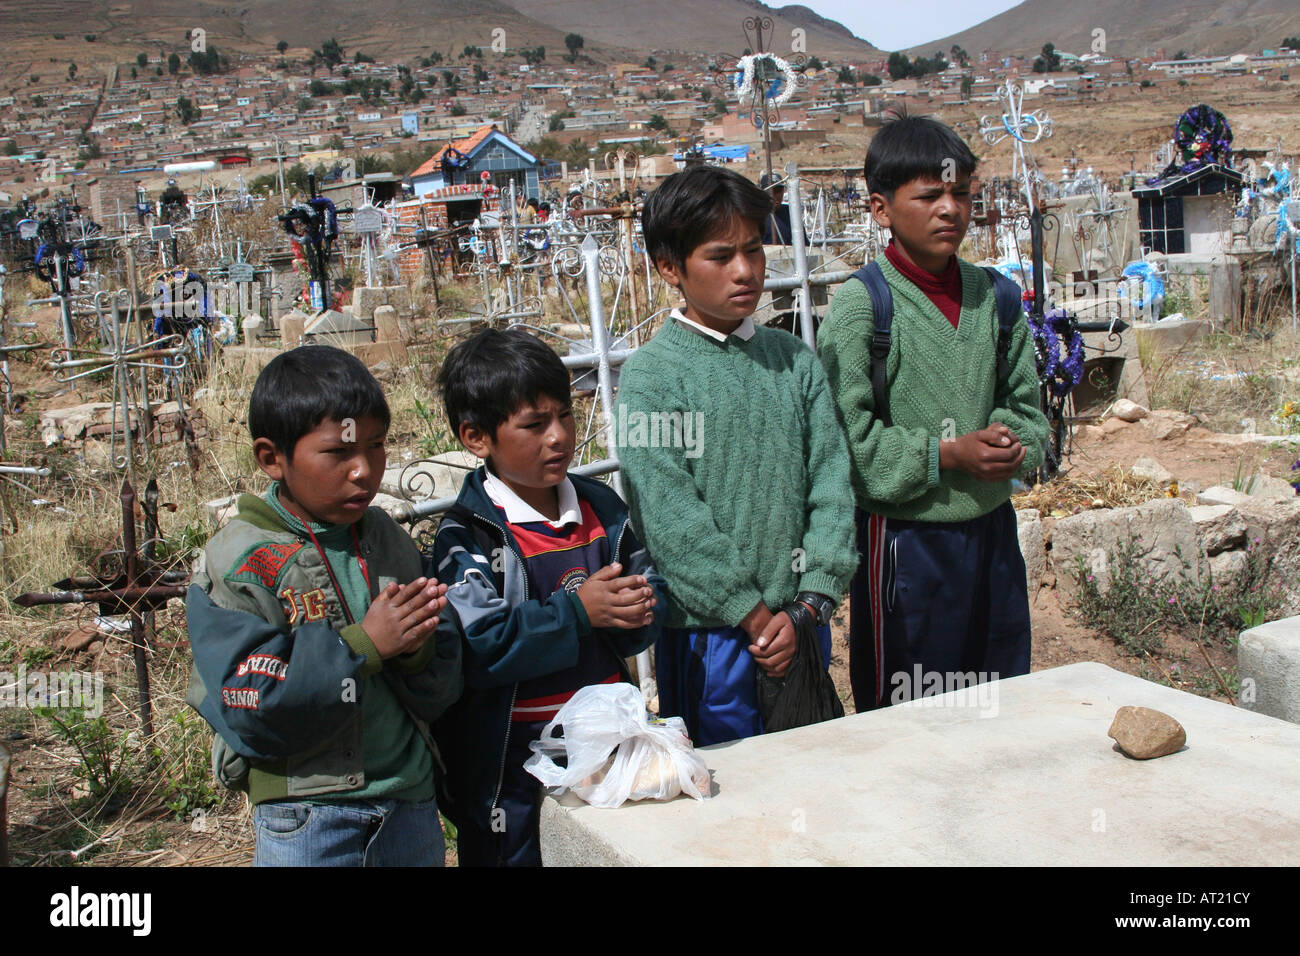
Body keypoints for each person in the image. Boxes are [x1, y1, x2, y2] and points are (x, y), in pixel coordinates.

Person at [185, 345, 462, 867]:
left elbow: (443, 680)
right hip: (309, 815)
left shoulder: (386, 540)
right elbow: (253, 702)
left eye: (377, 445)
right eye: (338, 453)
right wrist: (365, 646)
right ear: (272, 457)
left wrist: (418, 651)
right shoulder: (242, 561)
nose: (364, 470)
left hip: (408, 802)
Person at [615, 165, 858, 747]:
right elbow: (671, 516)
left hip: (799, 626)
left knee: (812, 775)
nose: (746, 271)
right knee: (732, 801)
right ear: (670, 267)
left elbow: (831, 482)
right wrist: (751, 614)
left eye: (754, 249)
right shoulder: (653, 376)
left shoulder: (793, 360)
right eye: (721, 256)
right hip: (714, 638)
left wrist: (810, 605)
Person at [816, 114, 1049, 713]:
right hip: (905, 546)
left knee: (999, 693)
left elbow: (1027, 408)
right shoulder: (862, 309)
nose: (951, 209)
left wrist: (1014, 445)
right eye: (929, 195)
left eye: (962, 194)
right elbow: (850, 448)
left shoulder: (995, 298)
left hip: (992, 535)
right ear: (880, 208)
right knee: (912, 712)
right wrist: (946, 453)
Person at [431, 328, 667, 867]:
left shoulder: (601, 508)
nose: (559, 436)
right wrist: (578, 612)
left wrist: (637, 610)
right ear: (476, 437)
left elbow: (650, 591)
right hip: (513, 760)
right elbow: (482, 647)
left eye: (565, 415)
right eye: (534, 425)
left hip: (608, 745)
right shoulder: (469, 536)